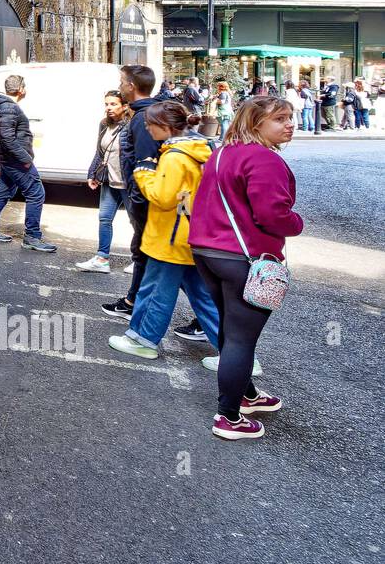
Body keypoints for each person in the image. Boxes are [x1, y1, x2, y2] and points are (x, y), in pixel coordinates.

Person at [189, 97, 301, 440]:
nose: (289, 124)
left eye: (290, 117)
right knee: (241, 338)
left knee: (231, 330)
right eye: (279, 119)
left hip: (208, 251)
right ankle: (229, 417)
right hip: (245, 258)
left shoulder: (223, 152)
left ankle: (247, 394)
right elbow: (272, 215)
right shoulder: (264, 159)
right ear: (255, 124)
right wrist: (297, 222)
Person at [107, 100, 221, 361]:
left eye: (149, 125)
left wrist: (143, 173)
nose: (147, 130)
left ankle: (142, 339)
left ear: (164, 126)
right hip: (191, 234)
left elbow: (162, 196)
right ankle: (237, 353)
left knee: (155, 291)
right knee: (204, 298)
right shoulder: (200, 149)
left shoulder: (174, 157)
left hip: (169, 237)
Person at [101, 65, 170, 321]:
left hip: (143, 199)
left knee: (145, 252)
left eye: (121, 81)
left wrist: (139, 202)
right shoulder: (142, 114)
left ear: (131, 85)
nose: (119, 86)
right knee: (148, 254)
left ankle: (134, 304)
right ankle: (134, 301)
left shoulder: (143, 119)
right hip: (143, 198)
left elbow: (145, 163)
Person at [0, 75, 56, 252]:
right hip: (15, 160)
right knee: (36, 192)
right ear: (21, 89)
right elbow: (7, 139)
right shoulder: (8, 108)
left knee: (4, 190)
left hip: (9, 158)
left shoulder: (4, 107)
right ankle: (32, 237)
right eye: (25, 86)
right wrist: (25, 159)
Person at [76, 91, 131, 274]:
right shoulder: (104, 124)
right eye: (107, 104)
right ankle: (102, 258)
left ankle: (140, 261)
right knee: (105, 219)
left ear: (124, 106)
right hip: (109, 180)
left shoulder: (131, 125)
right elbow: (100, 151)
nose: (108, 108)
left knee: (137, 222)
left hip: (128, 182)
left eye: (113, 104)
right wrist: (92, 173)